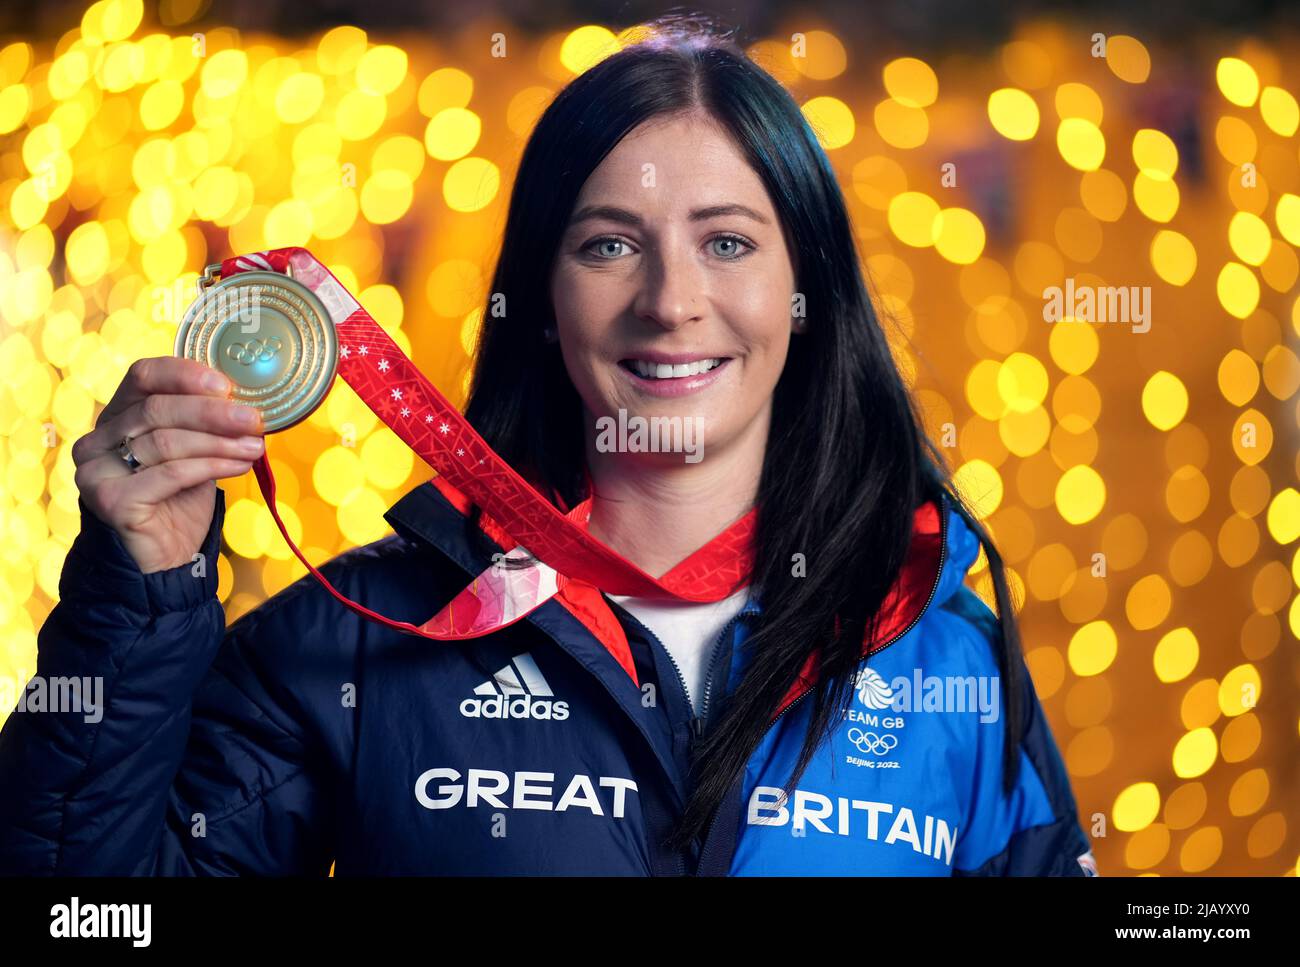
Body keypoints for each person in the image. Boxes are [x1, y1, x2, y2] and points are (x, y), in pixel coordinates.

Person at [0, 14, 1096, 876]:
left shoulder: (943, 661)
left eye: (726, 242)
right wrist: (135, 597)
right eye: (610, 243)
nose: (672, 301)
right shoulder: (356, 650)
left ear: (805, 290)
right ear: (540, 297)